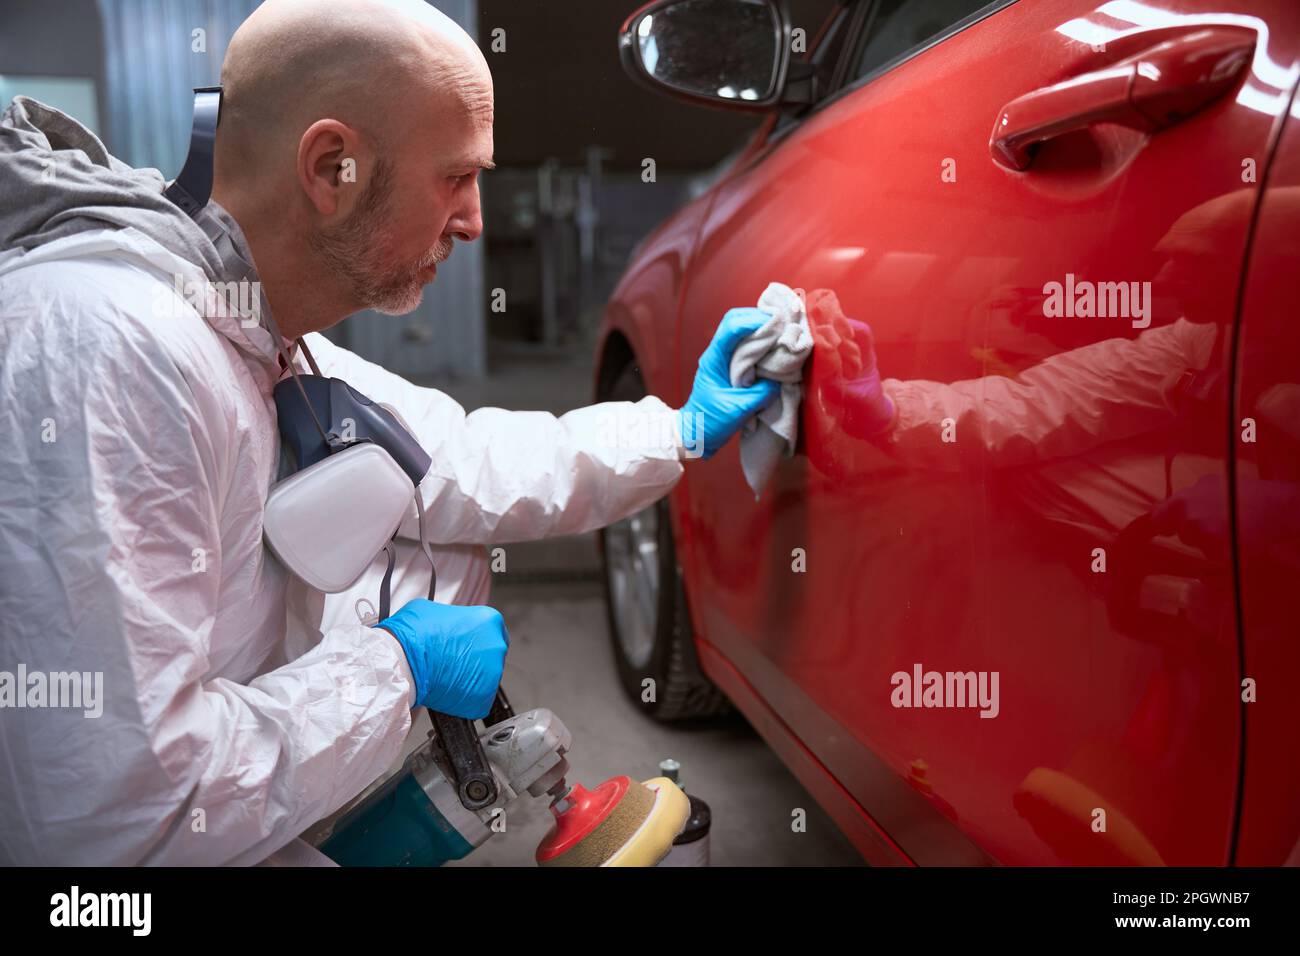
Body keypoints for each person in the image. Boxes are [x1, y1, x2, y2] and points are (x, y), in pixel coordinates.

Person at [0, 0, 777, 865]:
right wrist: (394, 671)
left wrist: (679, 430)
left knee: (437, 554)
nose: (476, 220)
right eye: (456, 177)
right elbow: (108, 816)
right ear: (333, 167)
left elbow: (461, 462)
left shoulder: (252, 327)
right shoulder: (110, 348)